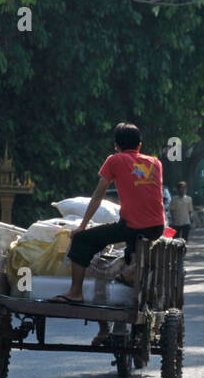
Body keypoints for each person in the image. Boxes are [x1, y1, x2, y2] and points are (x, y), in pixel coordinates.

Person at [52, 122, 165, 309]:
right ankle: (131, 271)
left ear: (116, 146)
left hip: (132, 227)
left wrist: (82, 226)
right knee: (127, 243)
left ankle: (75, 293)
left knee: (82, 240)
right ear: (140, 145)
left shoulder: (115, 160)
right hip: (156, 228)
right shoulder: (156, 163)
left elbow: (98, 196)